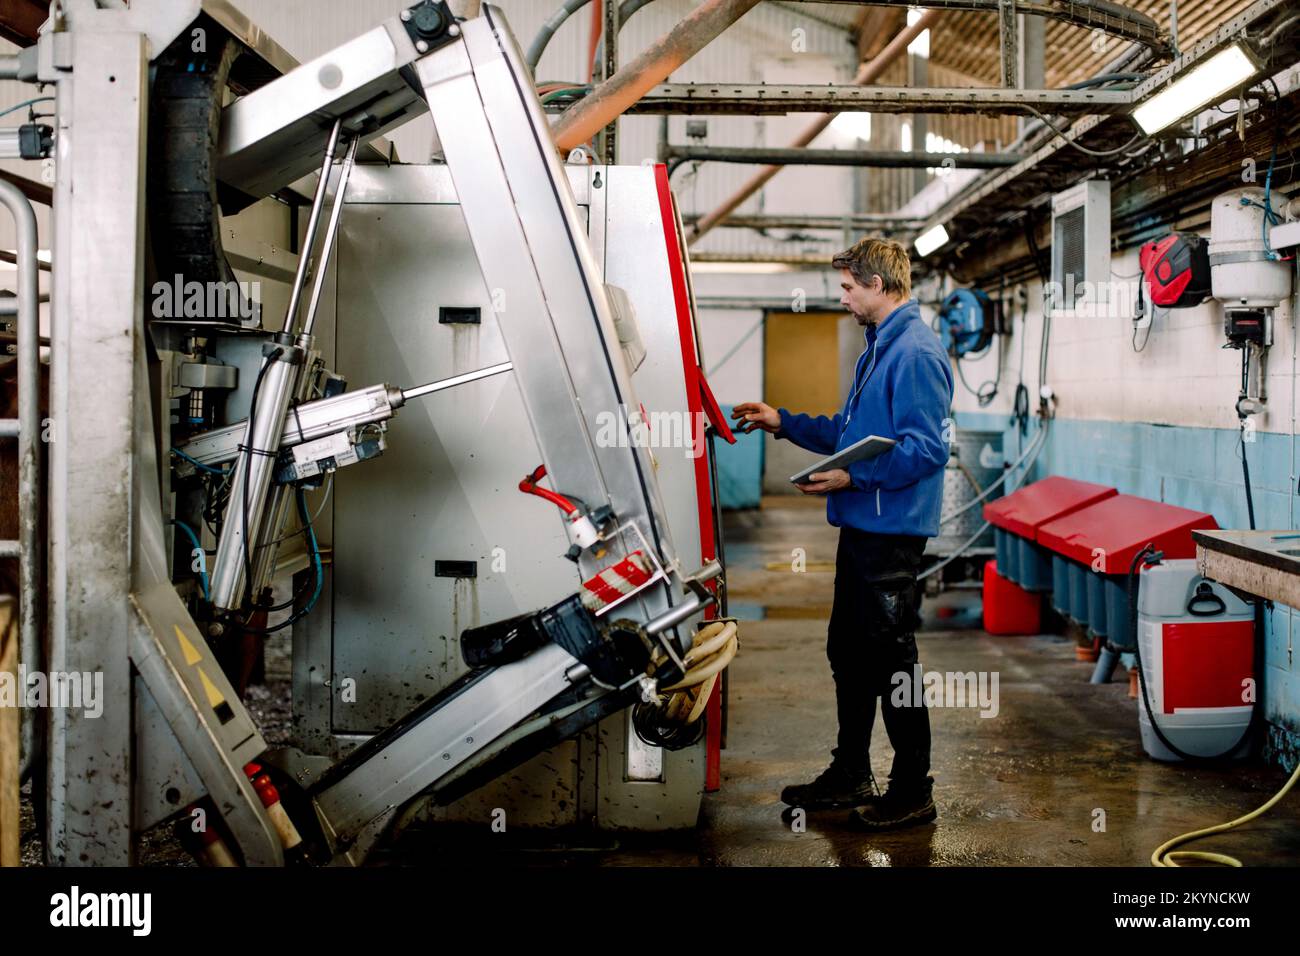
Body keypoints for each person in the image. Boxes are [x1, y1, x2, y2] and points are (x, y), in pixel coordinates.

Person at [731, 237, 954, 831]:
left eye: (849, 287)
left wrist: (854, 475)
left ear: (879, 285)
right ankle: (852, 769)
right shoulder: (879, 347)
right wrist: (785, 422)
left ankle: (913, 790)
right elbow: (852, 430)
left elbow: (928, 449)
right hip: (863, 526)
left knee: (891, 662)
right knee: (850, 654)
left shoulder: (915, 353)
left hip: (892, 533)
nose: (843, 297)